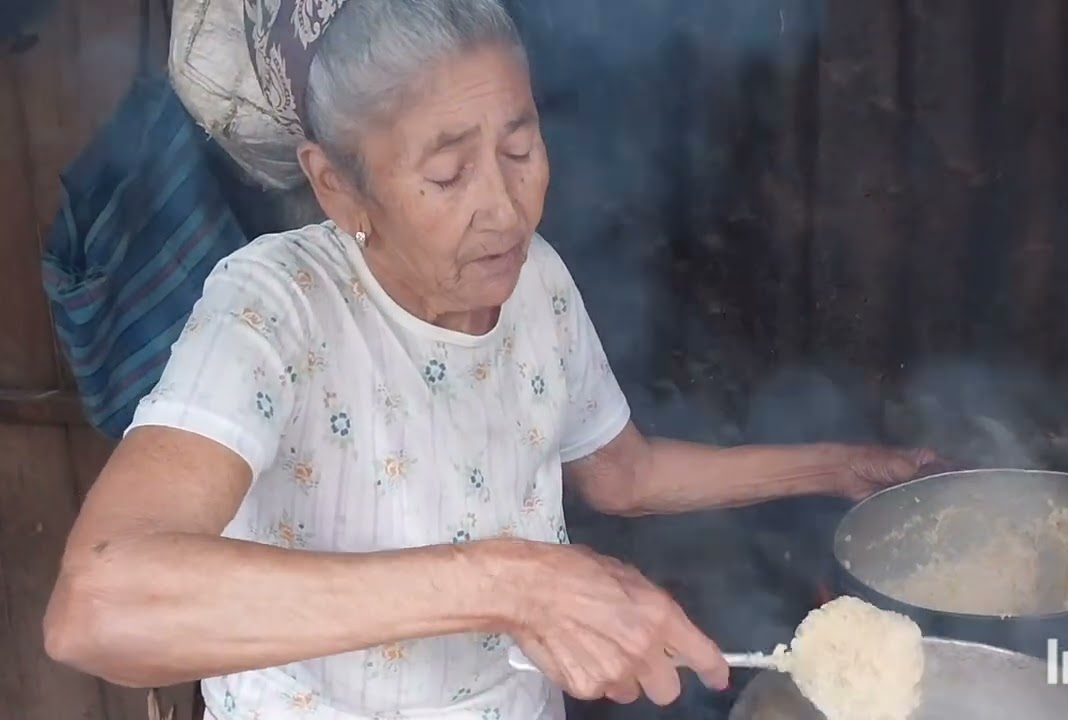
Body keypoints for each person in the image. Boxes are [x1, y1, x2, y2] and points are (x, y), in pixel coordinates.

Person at [42, 1, 938, 719]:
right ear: (336, 184)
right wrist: (510, 580)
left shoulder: (536, 281)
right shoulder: (275, 308)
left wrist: (833, 467)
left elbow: (624, 474)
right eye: (446, 175)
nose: (507, 209)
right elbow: (99, 605)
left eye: (520, 149)